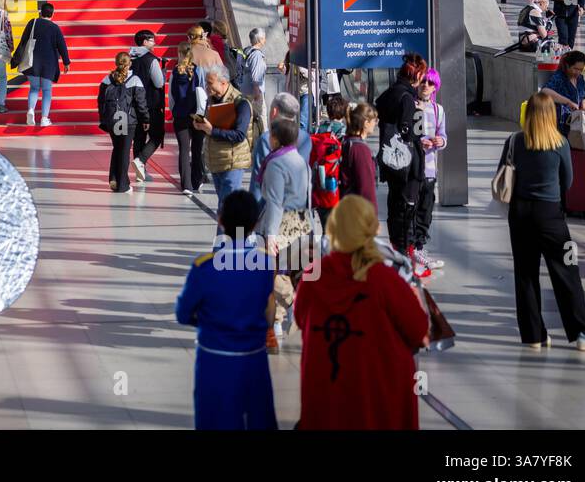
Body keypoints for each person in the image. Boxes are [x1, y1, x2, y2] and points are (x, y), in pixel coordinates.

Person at [293, 195, 429, 429]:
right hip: (378, 396)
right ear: (371, 230)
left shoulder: (313, 277)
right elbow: (418, 331)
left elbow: (300, 317)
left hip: (328, 393)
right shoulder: (385, 280)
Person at [174, 189, 277, 430]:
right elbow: (268, 311)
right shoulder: (265, 264)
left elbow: (182, 313)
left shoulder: (204, 268)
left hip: (214, 359)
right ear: (254, 224)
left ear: (220, 221)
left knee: (213, 419)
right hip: (254, 358)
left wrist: (209, 322)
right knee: (259, 418)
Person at [503, 91, 585, 350]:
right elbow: (567, 182)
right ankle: (581, 334)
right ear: (550, 115)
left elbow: (505, 174)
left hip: (520, 214)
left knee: (526, 273)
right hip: (550, 216)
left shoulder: (515, 141)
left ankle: (534, 335)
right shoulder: (561, 144)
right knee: (567, 271)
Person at [257, 118, 310, 347]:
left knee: (272, 274)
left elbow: (275, 202)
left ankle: (286, 312)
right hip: (302, 223)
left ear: (276, 138)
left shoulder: (276, 164)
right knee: (288, 273)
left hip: (281, 225)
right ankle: (279, 321)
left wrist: (270, 235)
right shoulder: (300, 160)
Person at [374, 53, 427, 256]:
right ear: (416, 75)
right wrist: (419, 112)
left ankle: (397, 247)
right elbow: (413, 133)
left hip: (391, 161)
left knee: (394, 204)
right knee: (407, 208)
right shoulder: (407, 99)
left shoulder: (389, 94)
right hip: (407, 164)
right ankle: (406, 252)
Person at [194, 65, 256, 204]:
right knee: (227, 209)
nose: (207, 87)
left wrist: (211, 130)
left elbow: (240, 135)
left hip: (232, 162)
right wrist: (201, 125)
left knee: (229, 210)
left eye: (210, 83)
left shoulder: (241, 103)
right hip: (216, 162)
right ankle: (237, 226)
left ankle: (239, 227)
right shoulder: (211, 100)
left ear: (223, 82)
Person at [12, 2, 69, 127]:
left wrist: (16, 58)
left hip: (33, 63)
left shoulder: (33, 23)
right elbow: (62, 46)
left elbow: (23, 41)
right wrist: (66, 62)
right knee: (47, 90)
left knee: (34, 88)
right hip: (48, 65)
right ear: (52, 14)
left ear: (40, 12)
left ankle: (31, 109)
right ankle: (44, 118)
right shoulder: (55, 28)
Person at [413, 69, 448, 277]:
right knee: (412, 207)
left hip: (429, 167)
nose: (426, 85)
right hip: (413, 167)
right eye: (423, 81)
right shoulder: (413, 107)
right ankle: (413, 248)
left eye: (430, 83)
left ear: (435, 87)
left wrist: (440, 141)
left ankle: (419, 245)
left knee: (426, 209)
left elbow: (443, 135)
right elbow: (408, 134)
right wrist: (419, 142)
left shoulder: (438, 110)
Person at [98, 52, 148, 194]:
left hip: (113, 119)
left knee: (117, 148)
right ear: (129, 63)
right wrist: (145, 119)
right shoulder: (135, 80)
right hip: (128, 120)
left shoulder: (107, 79)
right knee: (124, 151)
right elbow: (141, 103)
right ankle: (123, 185)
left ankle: (114, 179)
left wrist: (103, 119)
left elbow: (100, 101)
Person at [249, 92, 312, 201]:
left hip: (271, 204)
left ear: (274, 112)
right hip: (298, 204)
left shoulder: (267, 139)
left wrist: (253, 212)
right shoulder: (305, 138)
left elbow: (257, 182)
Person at [169, 40, 208, 198]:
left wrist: (174, 111)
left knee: (184, 150)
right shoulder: (198, 70)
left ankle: (186, 185)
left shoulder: (175, 72)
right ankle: (197, 180)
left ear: (179, 54)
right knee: (197, 149)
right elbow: (203, 91)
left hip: (180, 115)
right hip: (197, 114)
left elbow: (171, 96)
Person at [129, 29, 165, 182]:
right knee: (157, 135)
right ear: (144, 42)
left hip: (134, 103)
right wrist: (163, 71)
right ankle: (141, 161)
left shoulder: (130, 57)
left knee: (139, 137)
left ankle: (140, 172)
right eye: (152, 40)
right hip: (151, 103)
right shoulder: (152, 60)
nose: (154, 42)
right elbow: (159, 82)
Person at [308, 94, 348, 228]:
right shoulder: (344, 132)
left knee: (325, 223)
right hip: (336, 182)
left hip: (318, 182)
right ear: (344, 113)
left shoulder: (317, 129)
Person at [540, 50, 585, 135]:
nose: (578, 72)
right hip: (562, 123)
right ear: (567, 66)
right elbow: (545, 91)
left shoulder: (580, 79)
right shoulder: (559, 78)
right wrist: (568, 102)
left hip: (578, 122)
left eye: (581, 69)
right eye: (575, 69)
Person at [342, 103, 379, 211]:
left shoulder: (347, 142)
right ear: (366, 123)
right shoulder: (361, 150)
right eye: (374, 120)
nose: (375, 124)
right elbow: (366, 187)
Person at [236, 28, 268, 132]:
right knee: (261, 119)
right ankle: (263, 142)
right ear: (260, 39)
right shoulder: (257, 55)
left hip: (244, 91)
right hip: (254, 93)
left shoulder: (246, 50)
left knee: (247, 119)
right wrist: (257, 93)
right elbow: (256, 76)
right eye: (264, 38)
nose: (265, 40)